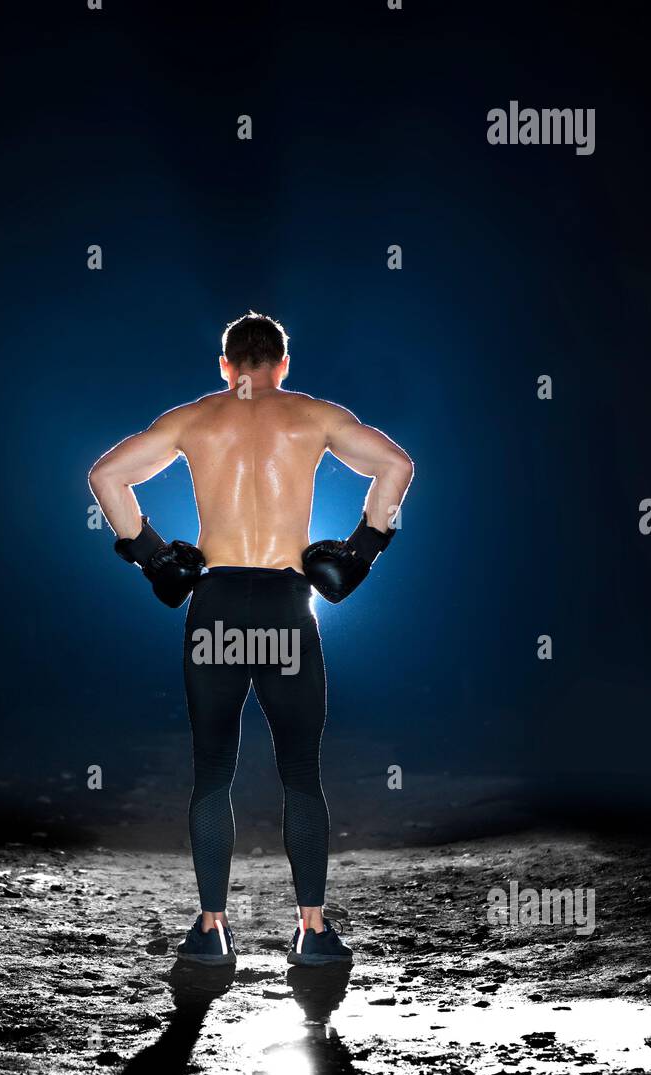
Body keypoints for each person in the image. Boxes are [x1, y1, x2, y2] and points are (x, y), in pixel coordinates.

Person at [88, 312, 414, 968]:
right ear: (282, 365)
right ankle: (313, 933)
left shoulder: (192, 419)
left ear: (225, 366)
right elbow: (395, 465)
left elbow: (105, 478)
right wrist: (362, 549)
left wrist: (154, 557)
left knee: (212, 771)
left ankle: (210, 932)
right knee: (300, 773)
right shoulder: (313, 416)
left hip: (216, 609)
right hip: (285, 608)